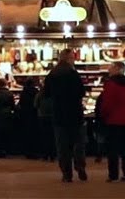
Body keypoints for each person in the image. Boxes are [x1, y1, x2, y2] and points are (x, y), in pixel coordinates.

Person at [42, 48, 87, 183]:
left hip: (59, 114)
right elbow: (81, 92)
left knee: (62, 146)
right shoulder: (73, 74)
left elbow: (46, 94)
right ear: (69, 59)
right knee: (78, 143)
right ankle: (80, 166)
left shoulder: (52, 74)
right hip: (75, 113)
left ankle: (67, 173)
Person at [96, 61, 125, 183]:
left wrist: (103, 116)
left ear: (117, 69)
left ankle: (113, 175)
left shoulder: (110, 85)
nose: (109, 70)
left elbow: (107, 104)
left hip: (113, 120)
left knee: (112, 149)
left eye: (111, 67)